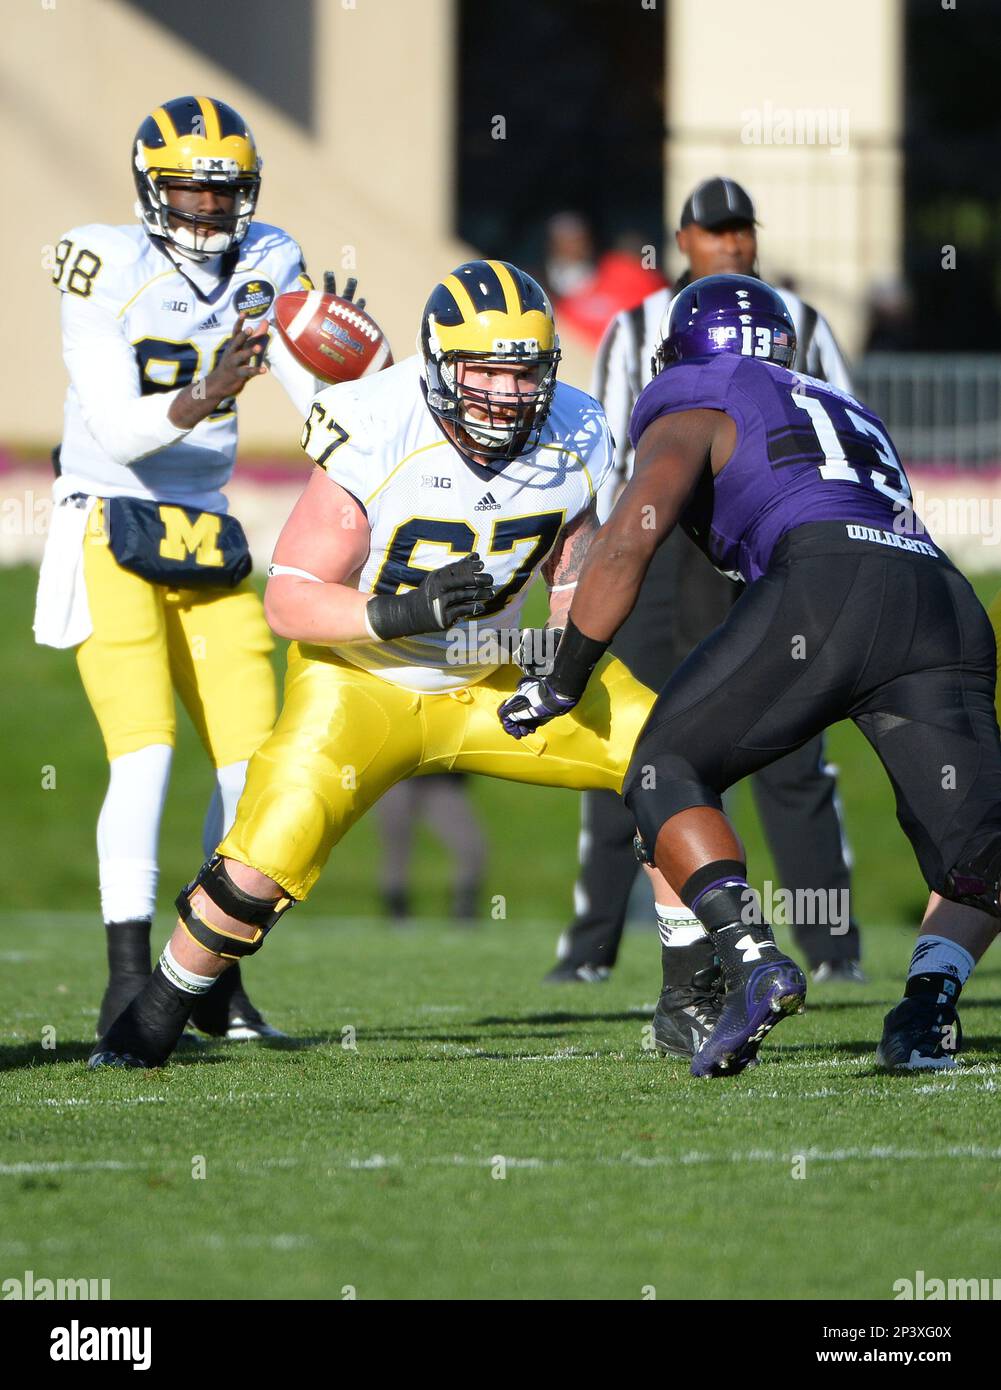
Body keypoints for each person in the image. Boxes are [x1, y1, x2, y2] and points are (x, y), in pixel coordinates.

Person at [87, 259, 677, 1070]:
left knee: (668, 755)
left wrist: (563, 655)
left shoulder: (575, 428)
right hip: (361, 677)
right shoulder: (373, 419)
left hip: (488, 672)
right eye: (484, 369)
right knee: (271, 844)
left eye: (522, 371)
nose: (506, 392)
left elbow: (570, 567)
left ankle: (693, 989)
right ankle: (151, 1016)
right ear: (438, 363)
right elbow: (289, 601)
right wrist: (405, 610)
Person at [498, 273, 1001, 1077]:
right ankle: (924, 1011)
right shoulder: (844, 406)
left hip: (825, 585)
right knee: (980, 850)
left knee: (664, 767)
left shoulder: (696, 393)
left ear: (678, 355)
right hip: (939, 600)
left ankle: (751, 955)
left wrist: (563, 676)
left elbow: (630, 537)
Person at [34, 96, 339, 1042]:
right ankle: (127, 981)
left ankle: (209, 975)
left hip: (203, 523)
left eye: (223, 191)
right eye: (186, 191)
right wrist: (209, 390)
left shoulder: (269, 257)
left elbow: (314, 396)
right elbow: (121, 428)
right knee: (146, 752)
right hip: (105, 513)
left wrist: (347, 382)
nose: (208, 210)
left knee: (257, 767)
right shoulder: (101, 260)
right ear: (147, 188)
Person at [549, 176, 863, 1023]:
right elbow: (613, 445)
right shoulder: (634, 327)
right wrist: (604, 547)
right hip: (658, 548)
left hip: (760, 545)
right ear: (682, 241)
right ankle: (589, 947)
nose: (729, 247)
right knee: (630, 739)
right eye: (712, 234)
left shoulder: (801, 322)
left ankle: (830, 945)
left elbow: (842, 423)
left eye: (739, 233)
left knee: (793, 752)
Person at [376, 773, 487, 921]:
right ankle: (397, 910)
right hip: (396, 778)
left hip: (440, 780)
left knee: (471, 846)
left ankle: (465, 909)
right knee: (397, 849)